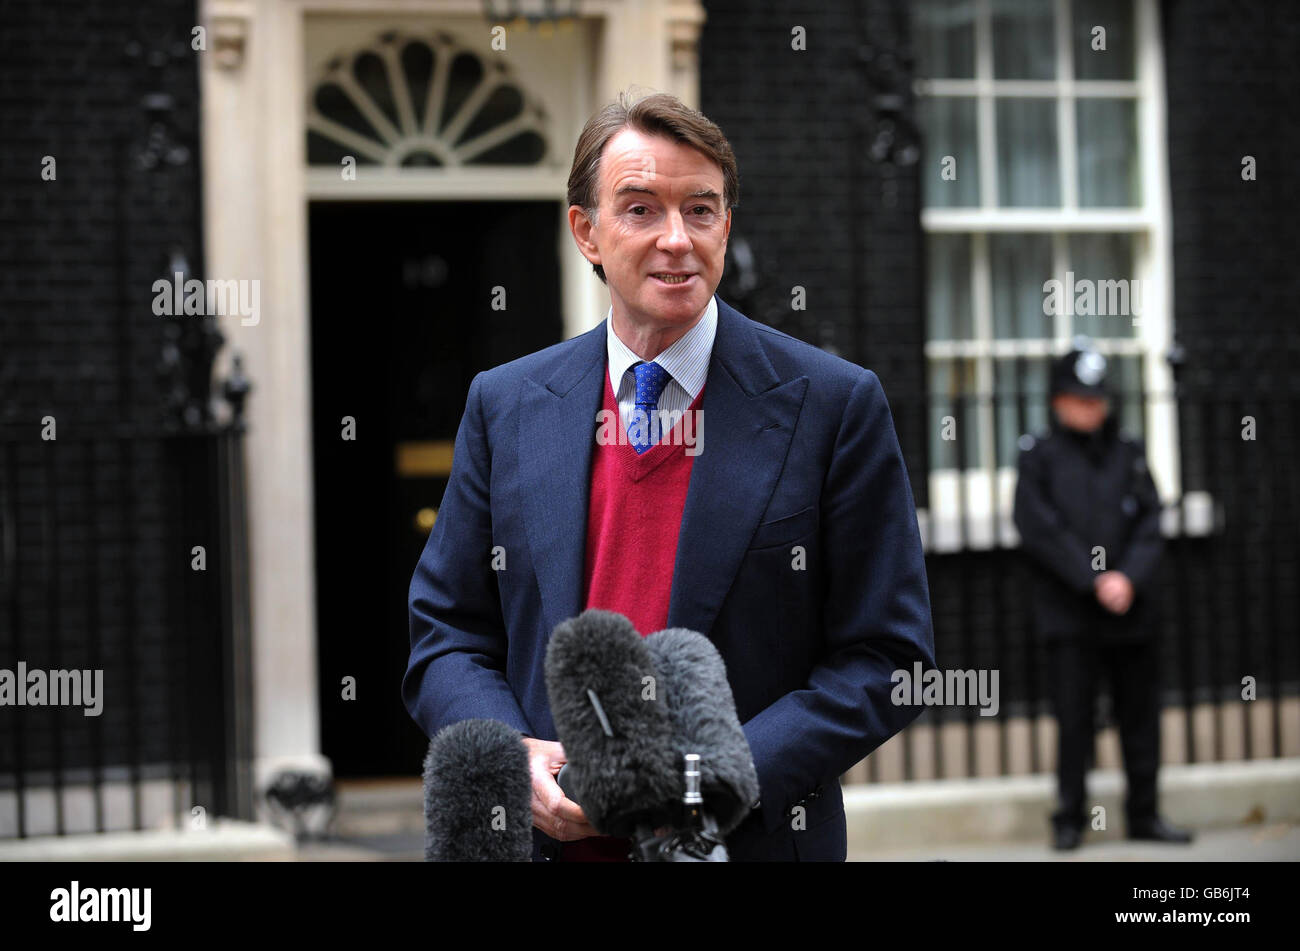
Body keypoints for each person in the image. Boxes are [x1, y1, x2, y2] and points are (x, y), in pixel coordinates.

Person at [403, 91, 934, 862]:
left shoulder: (833, 403)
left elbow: (887, 655)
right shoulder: (505, 403)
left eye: (701, 210)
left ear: (727, 224)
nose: (677, 240)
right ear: (586, 230)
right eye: (641, 209)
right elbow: (447, 632)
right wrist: (514, 752)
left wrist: (706, 781)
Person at [1013, 342, 1193, 850]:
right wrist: (1092, 579)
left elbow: (1152, 522)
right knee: (1074, 723)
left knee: (1141, 717)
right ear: (1057, 400)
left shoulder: (1129, 453)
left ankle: (1145, 814)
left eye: (1097, 399)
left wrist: (1127, 579)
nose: (1091, 408)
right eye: (1080, 398)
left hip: (1131, 611)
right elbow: (1038, 527)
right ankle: (1069, 819)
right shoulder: (1039, 457)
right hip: (1071, 614)